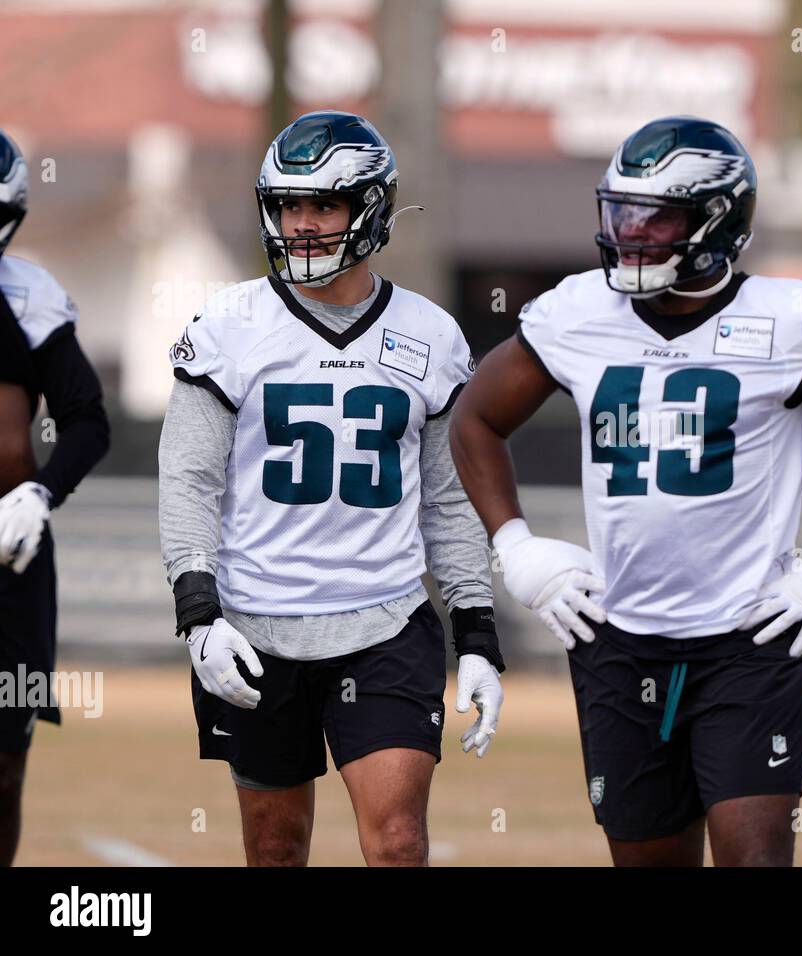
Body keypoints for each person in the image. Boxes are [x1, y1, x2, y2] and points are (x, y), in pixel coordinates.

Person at [450, 116, 802, 866]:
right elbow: (475, 418)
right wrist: (513, 546)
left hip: (748, 641)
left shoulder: (788, 319)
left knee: (756, 855)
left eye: (659, 217)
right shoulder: (577, 312)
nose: (634, 234)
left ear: (718, 220)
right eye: (624, 213)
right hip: (616, 638)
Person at [158, 110, 504, 866]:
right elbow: (188, 476)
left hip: (383, 626)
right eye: (288, 205)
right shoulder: (229, 323)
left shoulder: (431, 336)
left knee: (398, 841)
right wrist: (198, 613)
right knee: (276, 846)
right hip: (256, 626)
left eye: (323, 205)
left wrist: (476, 631)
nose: (302, 224)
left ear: (370, 209)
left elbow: (449, 500)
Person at [0, 129, 111, 865]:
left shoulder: (28, 295)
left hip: (7, 550)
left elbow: (86, 421)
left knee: (5, 759)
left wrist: (39, 494)